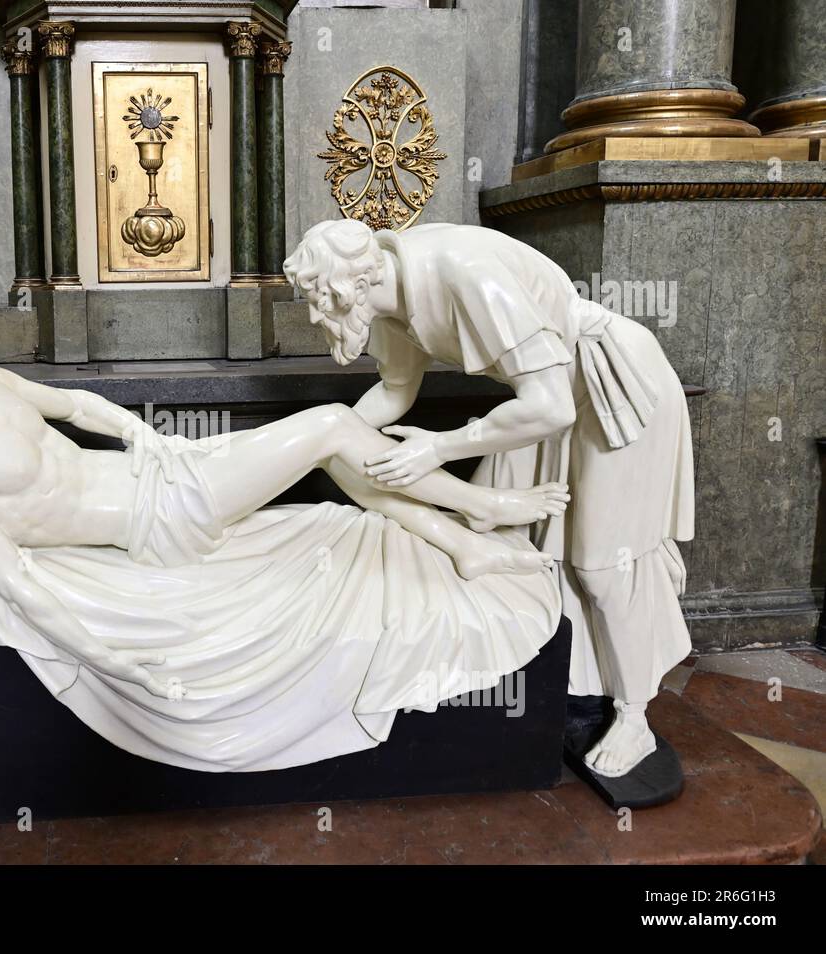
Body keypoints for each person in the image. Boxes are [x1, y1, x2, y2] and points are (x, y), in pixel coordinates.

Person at [0, 348, 565, 771]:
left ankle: (464, 542)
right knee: (334, 428)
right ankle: (481, 511)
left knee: (336, 459)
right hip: (159, 517)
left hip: (165, 471)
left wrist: (143, 436)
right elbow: (17, 582)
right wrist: (112, 660)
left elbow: (73, 409)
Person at [283, 219, 694, 778]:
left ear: (355, 282)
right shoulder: (389, 296)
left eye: (319, 298)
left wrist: (441, 449)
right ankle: (578, 679)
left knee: (605, 564)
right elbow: (397, 391)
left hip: (611, 388)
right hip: (544, 397)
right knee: (499, 533)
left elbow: (552, 407)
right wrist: (331, 439)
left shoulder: (463, 273)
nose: (315, 315)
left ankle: (634, 716)